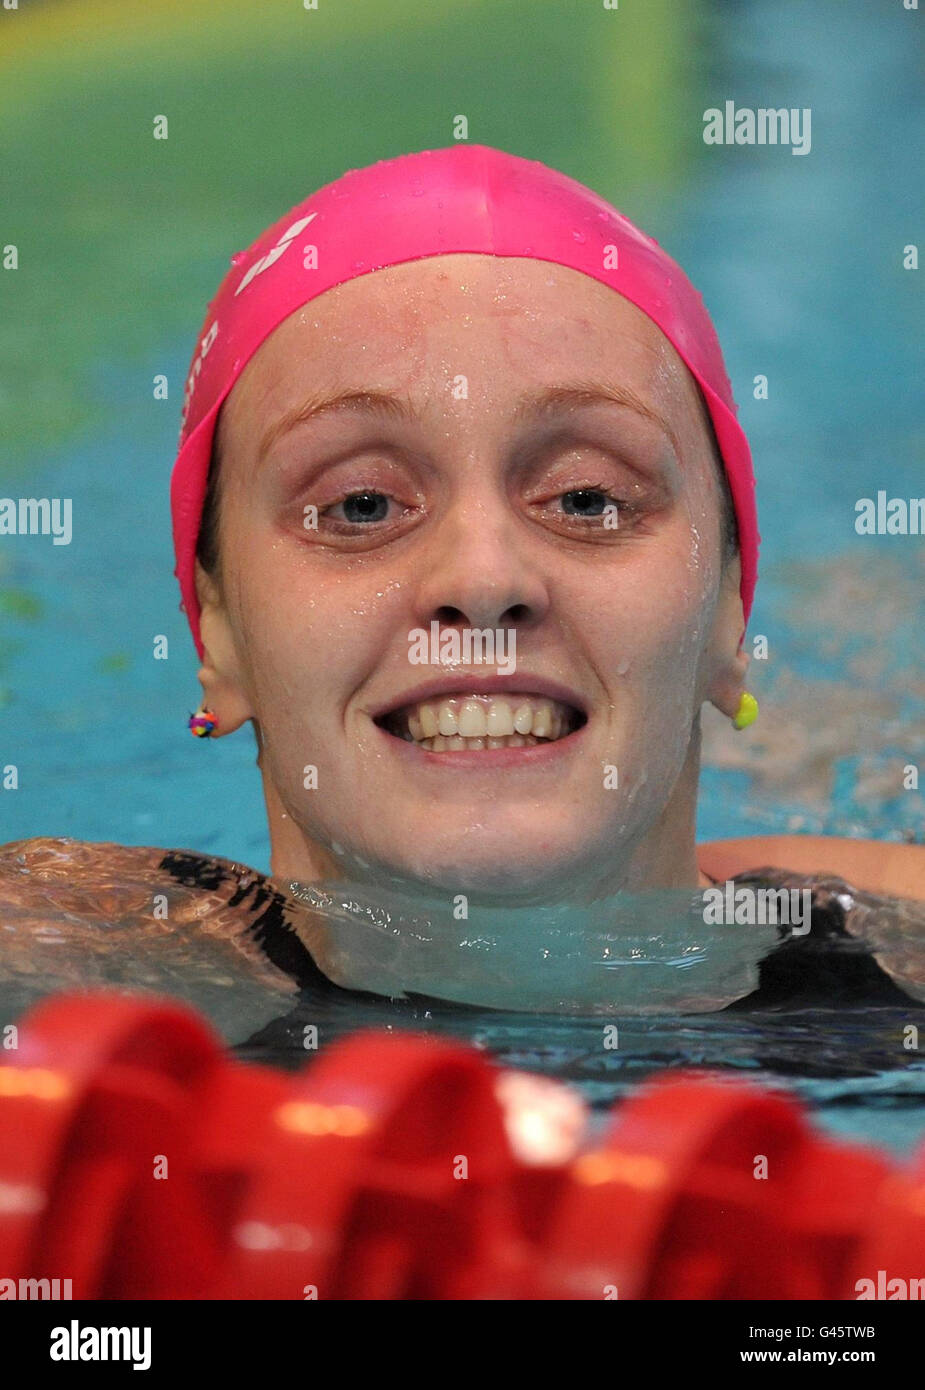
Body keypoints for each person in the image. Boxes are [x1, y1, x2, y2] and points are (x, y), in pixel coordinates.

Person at [1, 146, 921, 1029]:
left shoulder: (888, 967)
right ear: (216, 629)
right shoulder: (80, 961)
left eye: (587, 499)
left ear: (729, 612)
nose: (483, 581)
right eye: (360, 506)